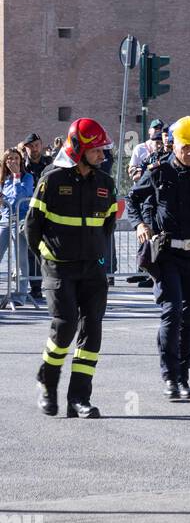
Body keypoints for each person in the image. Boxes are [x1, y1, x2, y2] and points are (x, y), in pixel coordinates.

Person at [24, 118, 117, 417]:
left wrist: (99, 256)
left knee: (92, 332)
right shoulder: (51, 180)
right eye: (96, 150)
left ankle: (79, 397)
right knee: (64, 328)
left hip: (92, 270)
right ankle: (47, 381)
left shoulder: (106, 182)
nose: (102, 156)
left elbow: (108, 225)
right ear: (78, 149)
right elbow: (31, 226)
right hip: (59, 269)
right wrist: (47, 259)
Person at [126, 115, 190, 401]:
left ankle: (183, 376)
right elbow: (133, 199)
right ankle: (169, 377)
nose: (189, 153)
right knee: (172, 312)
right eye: (184, 147)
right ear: (174, 145)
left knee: (188, 319)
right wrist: (140, 224)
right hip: (167, 255)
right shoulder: (159, 172)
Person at [1, 149, 35, 302]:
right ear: (5, 161)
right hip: (5, 220)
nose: (13, 161)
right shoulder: (3, 179)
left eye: (16, 158)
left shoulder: (27, 178)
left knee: (20, 258)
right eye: (10, 158)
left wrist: (16, 177)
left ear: (21, 161)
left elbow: (20, 198)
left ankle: (20, 295)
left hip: (20, 221)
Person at [21, 135, 47, 300]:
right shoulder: (23, 167)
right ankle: (35, 287)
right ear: (26, 148)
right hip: (30, 214)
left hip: (49, 212)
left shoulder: (50, 163)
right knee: (31, 250)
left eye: (37, 145)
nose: (35, 149)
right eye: (31, 146)